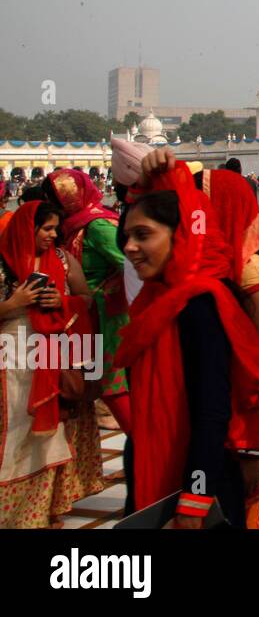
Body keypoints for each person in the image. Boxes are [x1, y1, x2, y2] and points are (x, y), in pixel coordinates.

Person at [114, 165, 259, 528]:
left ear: (182, 235)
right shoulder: (159, 301)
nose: (130, 248)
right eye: (127, 237)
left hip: (197, 478)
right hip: (157, 468)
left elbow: (211, 412)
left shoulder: (200, 304)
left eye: (143, 235)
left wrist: (196, 497)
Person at [0, 201, 103, 527]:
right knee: (12, 435)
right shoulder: (3, 264)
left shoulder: (61, 259)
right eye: (46, 228)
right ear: (27, 229)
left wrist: (63, 301)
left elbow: (87, 300)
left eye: (56, 228)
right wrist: (13, 304)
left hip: (49, 358)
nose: (53, 235)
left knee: (48, 438)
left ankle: (44, 510)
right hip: (10, 360)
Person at [44, 168, 131, 431]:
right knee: (100, 384)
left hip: (110, 317)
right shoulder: (73, 226)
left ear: (68, 200)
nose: (50, 206)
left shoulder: (96, 225)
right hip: (88, 315)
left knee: (112, 385)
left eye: (53, 200)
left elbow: (133, 264)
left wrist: (106, 289)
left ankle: (143, 454)